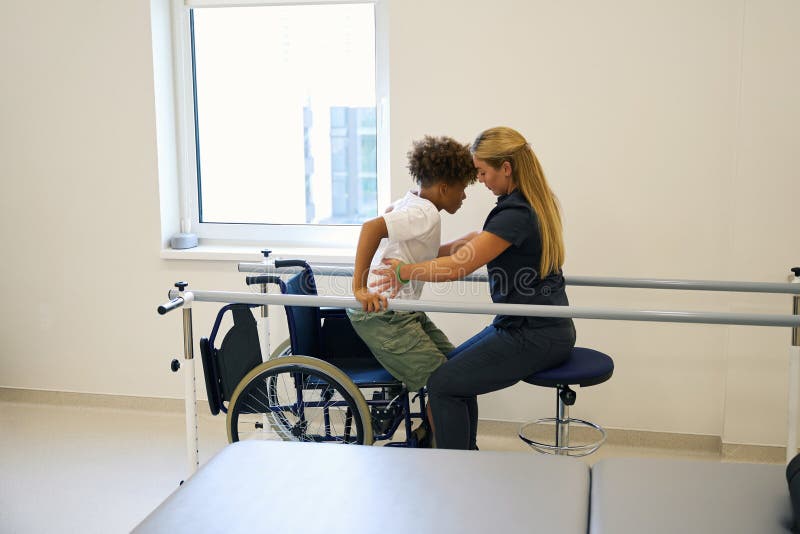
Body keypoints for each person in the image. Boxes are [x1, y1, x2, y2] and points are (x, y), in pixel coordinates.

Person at [371, 126, 576, 451]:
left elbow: (460, 265)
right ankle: (468, 456)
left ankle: (458, 465)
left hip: (535, 334)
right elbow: (471, 245)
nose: (479, 180)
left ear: (505, 168)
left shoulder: (516, 213)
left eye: (482, 172)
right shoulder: (523, 203)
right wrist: (416, 252)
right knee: (450, 370)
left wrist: (406, 271)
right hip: (526, 325)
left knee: (442, 384)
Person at [348, 135, 477, 439]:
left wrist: (466, 243)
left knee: (458, 368)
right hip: (383, 315)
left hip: (402, 312)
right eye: (462, 189)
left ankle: (431, 437)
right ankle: (444, 453)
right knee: (443, 381)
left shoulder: (413, 203)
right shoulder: (425, 213)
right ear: (444, 188)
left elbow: (423, 253)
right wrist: (359, 288)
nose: (464, 197)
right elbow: (371, 228)